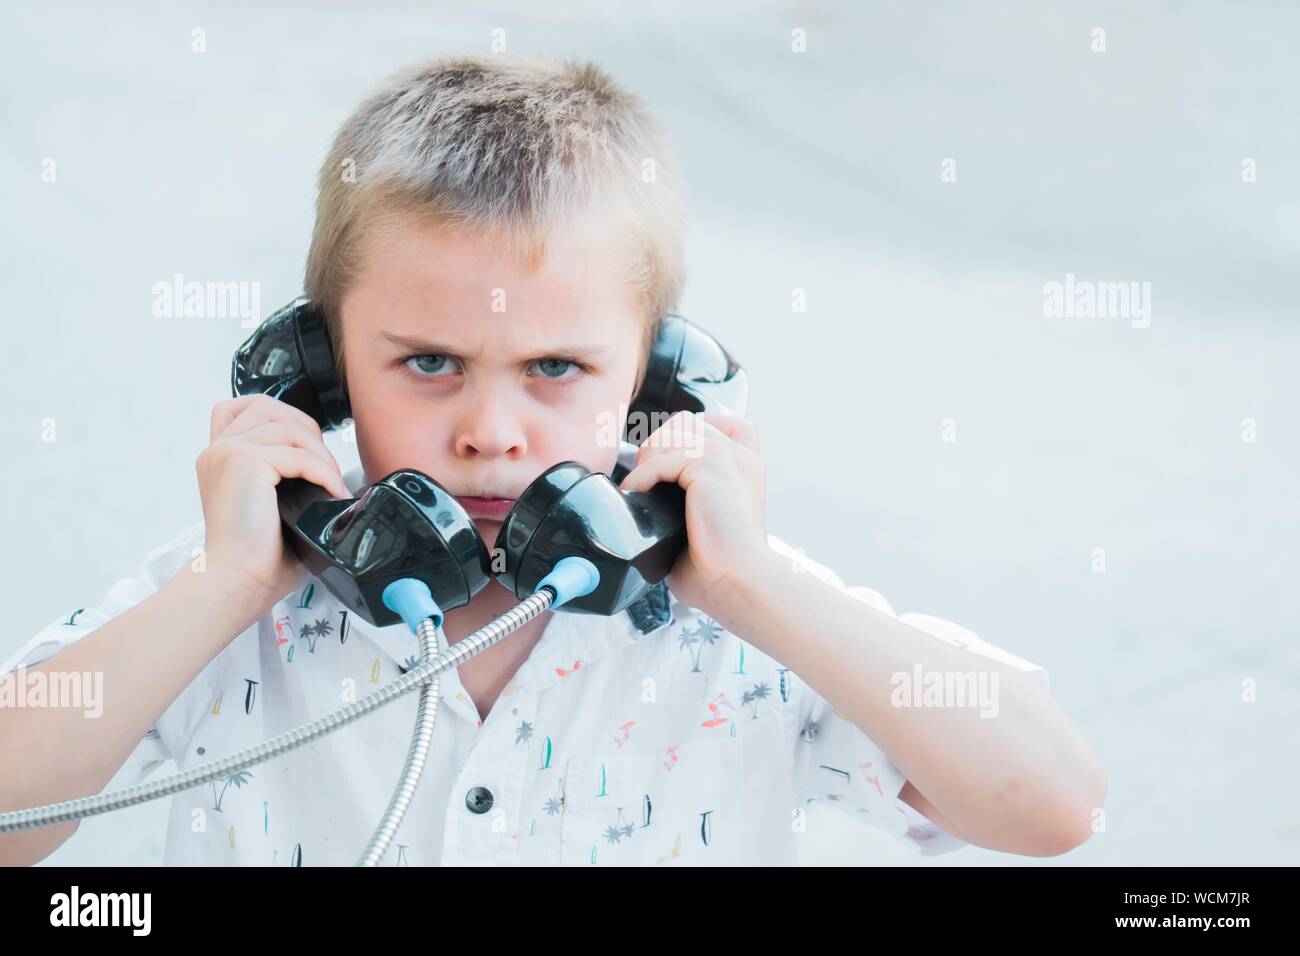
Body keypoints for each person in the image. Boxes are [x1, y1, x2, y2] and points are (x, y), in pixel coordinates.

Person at [0, 54, 1105, 866]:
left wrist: (759, 585)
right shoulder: (227, 605)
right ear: (321, 369)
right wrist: (224, 584)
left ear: (655, 383)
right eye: (428, 361)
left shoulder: (743, 625)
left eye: (557, 367)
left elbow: (1050, 803)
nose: (492, 429)